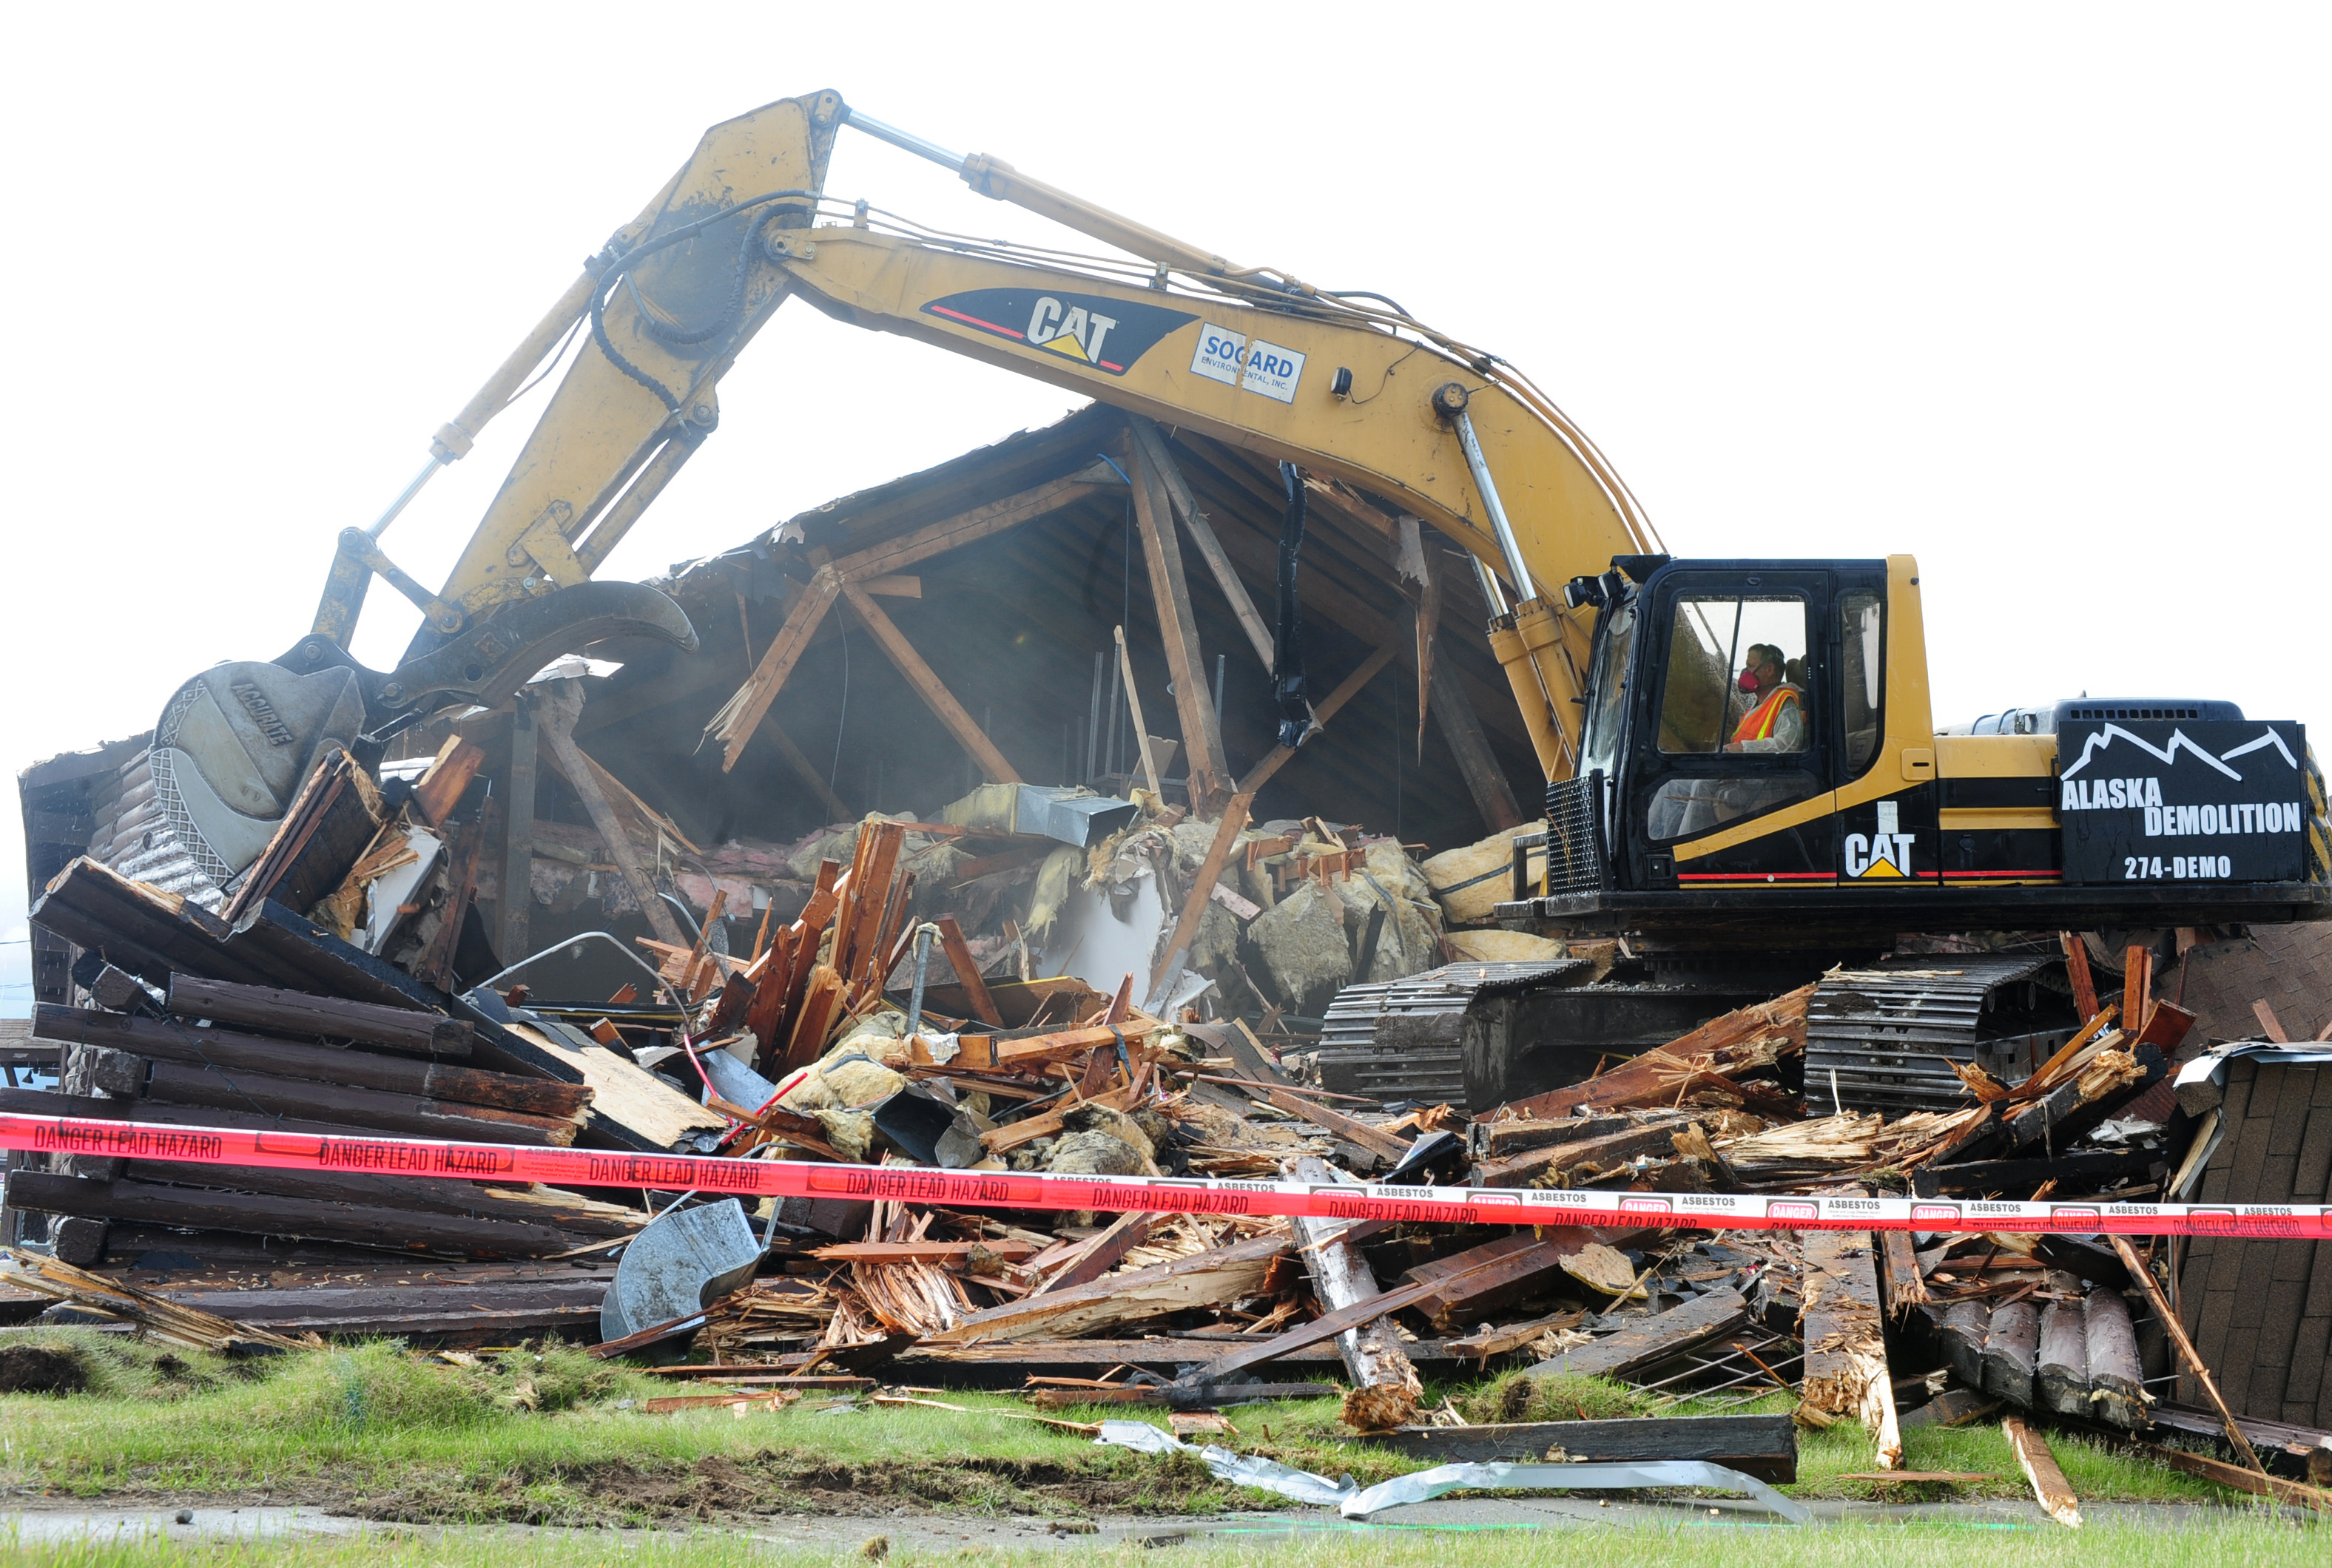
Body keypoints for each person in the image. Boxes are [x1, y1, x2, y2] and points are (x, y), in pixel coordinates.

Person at [1726, 643, 1806, 752]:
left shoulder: (1786, 702)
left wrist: (1744, 748)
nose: (1746, 672)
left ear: (1769, 670)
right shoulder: (1760, 704)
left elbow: (1788, 745)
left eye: (1751, 666)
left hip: (1760, 763)